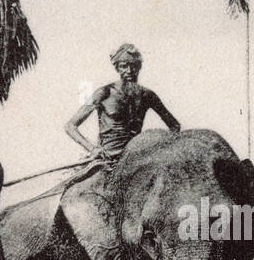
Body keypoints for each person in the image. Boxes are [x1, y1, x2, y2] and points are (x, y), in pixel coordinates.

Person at [64, 43, 180, 185]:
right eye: (124, 66)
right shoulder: (103, 93)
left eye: (134, 66)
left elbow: (174, 126)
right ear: (117, 68)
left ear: (139, 67)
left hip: (137, 160)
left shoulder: (148, 95)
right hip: (108, 161)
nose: (129, 70)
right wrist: (92, 149)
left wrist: (159, 147)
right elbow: (70, 126)